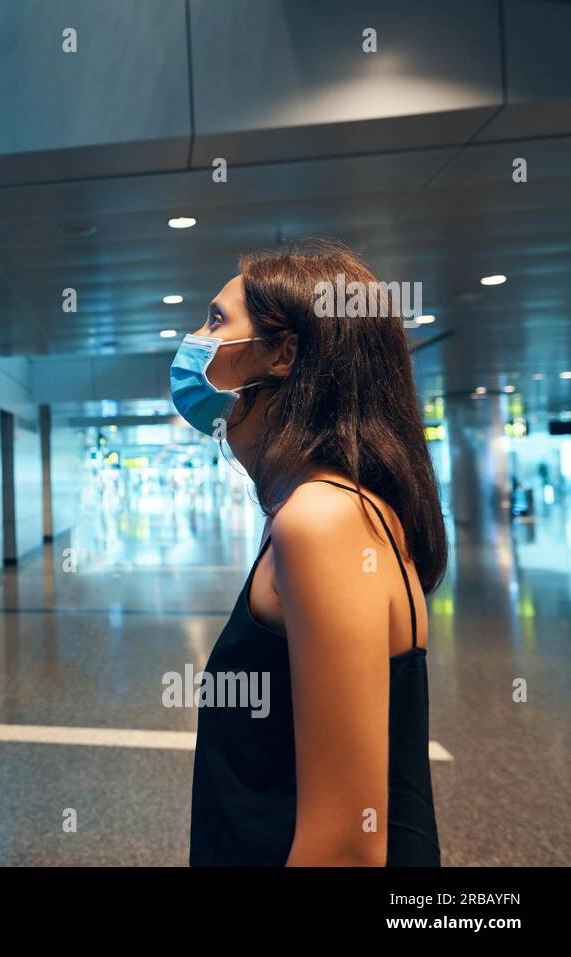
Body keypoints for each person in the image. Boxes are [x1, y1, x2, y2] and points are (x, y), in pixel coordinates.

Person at [172, 238, 446, 866]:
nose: (195, 338)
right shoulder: (326, 508)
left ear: (285, 354)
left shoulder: (324, 520)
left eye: (216, 320)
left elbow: (347, 846)